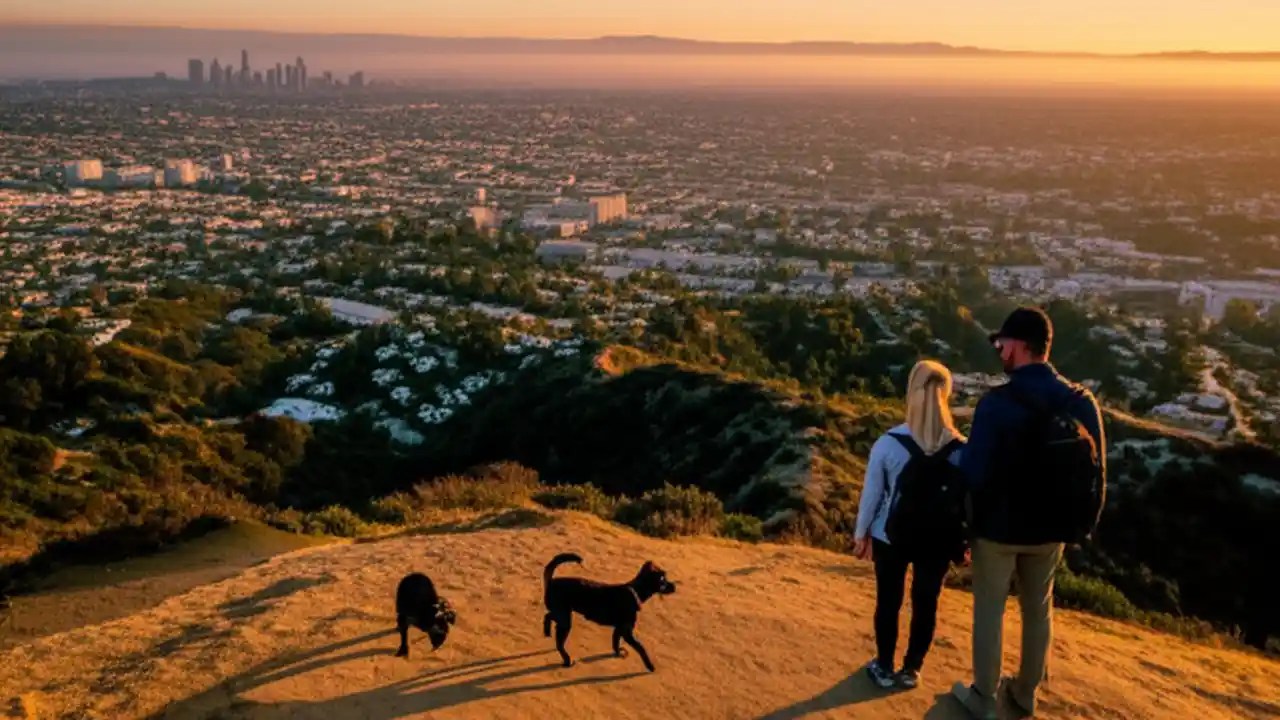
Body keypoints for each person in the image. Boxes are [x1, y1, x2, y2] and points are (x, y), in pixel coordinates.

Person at [952, 307, 1106, 720]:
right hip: (1052, 529)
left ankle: (983, 697)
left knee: (990, 609)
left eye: (1001, 343)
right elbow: (1097, 472)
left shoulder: (996, 405)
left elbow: (973, 473)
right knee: (1038, 608)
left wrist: (963, 524)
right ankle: (1025, 694)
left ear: (1019, 346)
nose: (998, 349)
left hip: (998, 530)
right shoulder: (1081, 401)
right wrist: (1082, 526)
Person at [854, 360, 968, 690]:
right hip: (938, 540)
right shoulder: (960, 448)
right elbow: (968, 501)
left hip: (890, 535)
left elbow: (872, 495)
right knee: (926, 603)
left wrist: (861, 534)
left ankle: (884, 666)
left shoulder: (889, 443)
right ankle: (911, 669)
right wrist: (965, 542)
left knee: (888, 601)